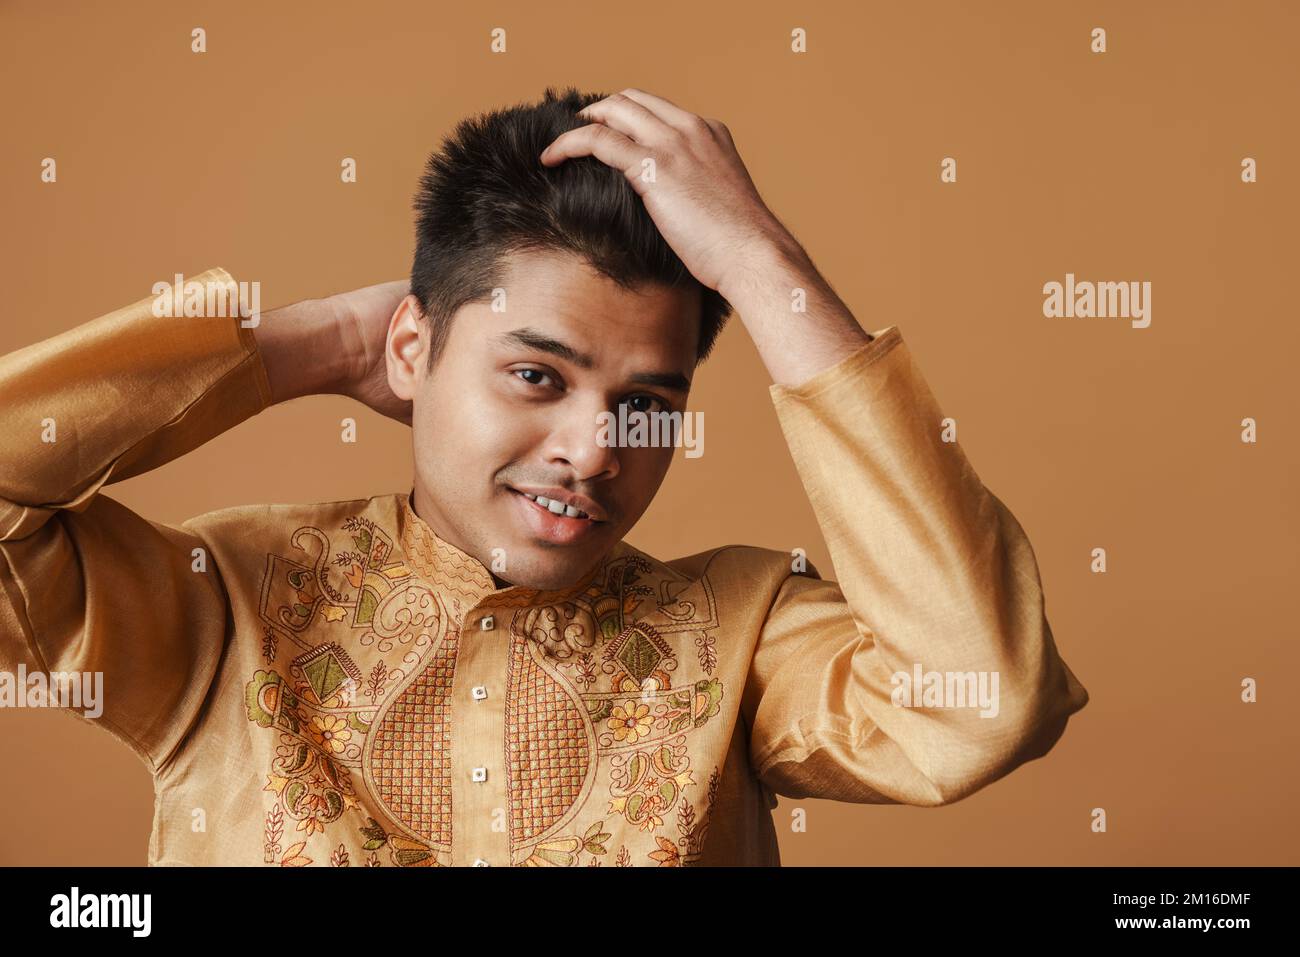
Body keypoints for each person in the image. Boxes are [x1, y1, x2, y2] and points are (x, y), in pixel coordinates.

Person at [0, 86, 1088, 867]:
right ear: (416, 349)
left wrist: (763, 266)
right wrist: (317, 342)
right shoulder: (221, 605)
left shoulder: (741, 636)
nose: (594, 447)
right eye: (535, 375)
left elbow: (983, 703)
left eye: (647, 405)